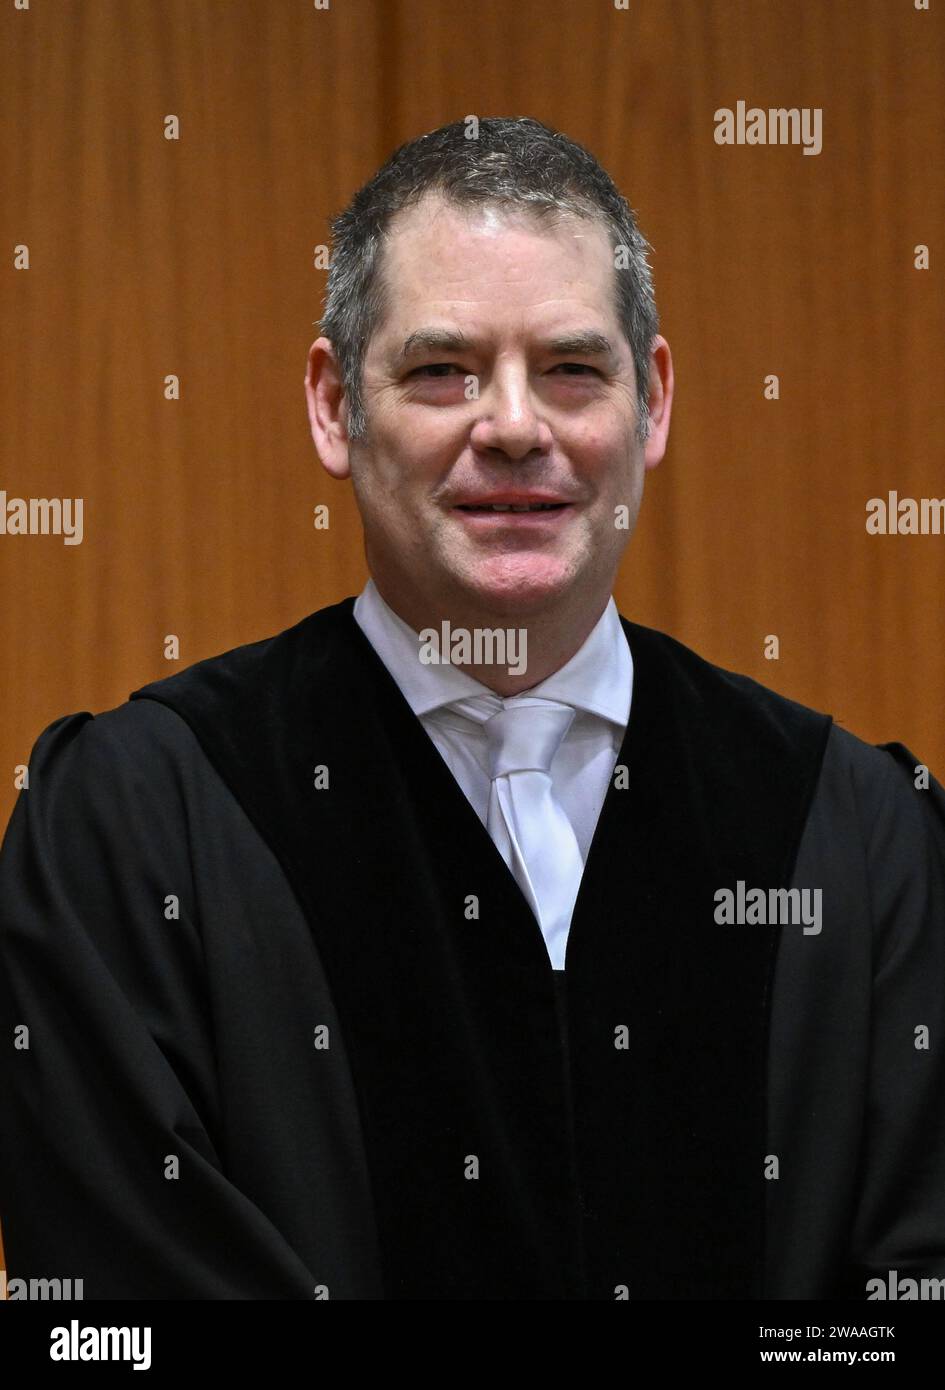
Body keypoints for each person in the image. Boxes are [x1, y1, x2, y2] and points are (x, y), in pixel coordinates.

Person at [1, 116, 943, 1301]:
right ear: (335, 405)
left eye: (571, 368)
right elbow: (118, 1313)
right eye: (441, 370)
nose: (511, 425)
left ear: (650, 406)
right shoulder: (134, 829)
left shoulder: (859, 837)